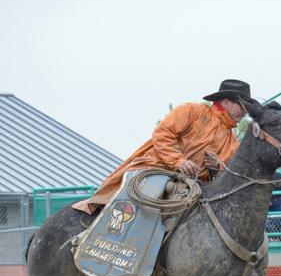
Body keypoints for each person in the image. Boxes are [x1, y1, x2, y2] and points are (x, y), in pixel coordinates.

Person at [72, 79, 255, 213]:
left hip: (193, 186)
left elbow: (224, 176)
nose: (245, 111)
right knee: (137, 205)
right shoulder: (192, 111)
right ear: (225, 102)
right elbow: (162, 134)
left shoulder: (232, 141)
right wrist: (178, 161)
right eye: (242, 105)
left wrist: (216, 168)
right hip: (156, 168)